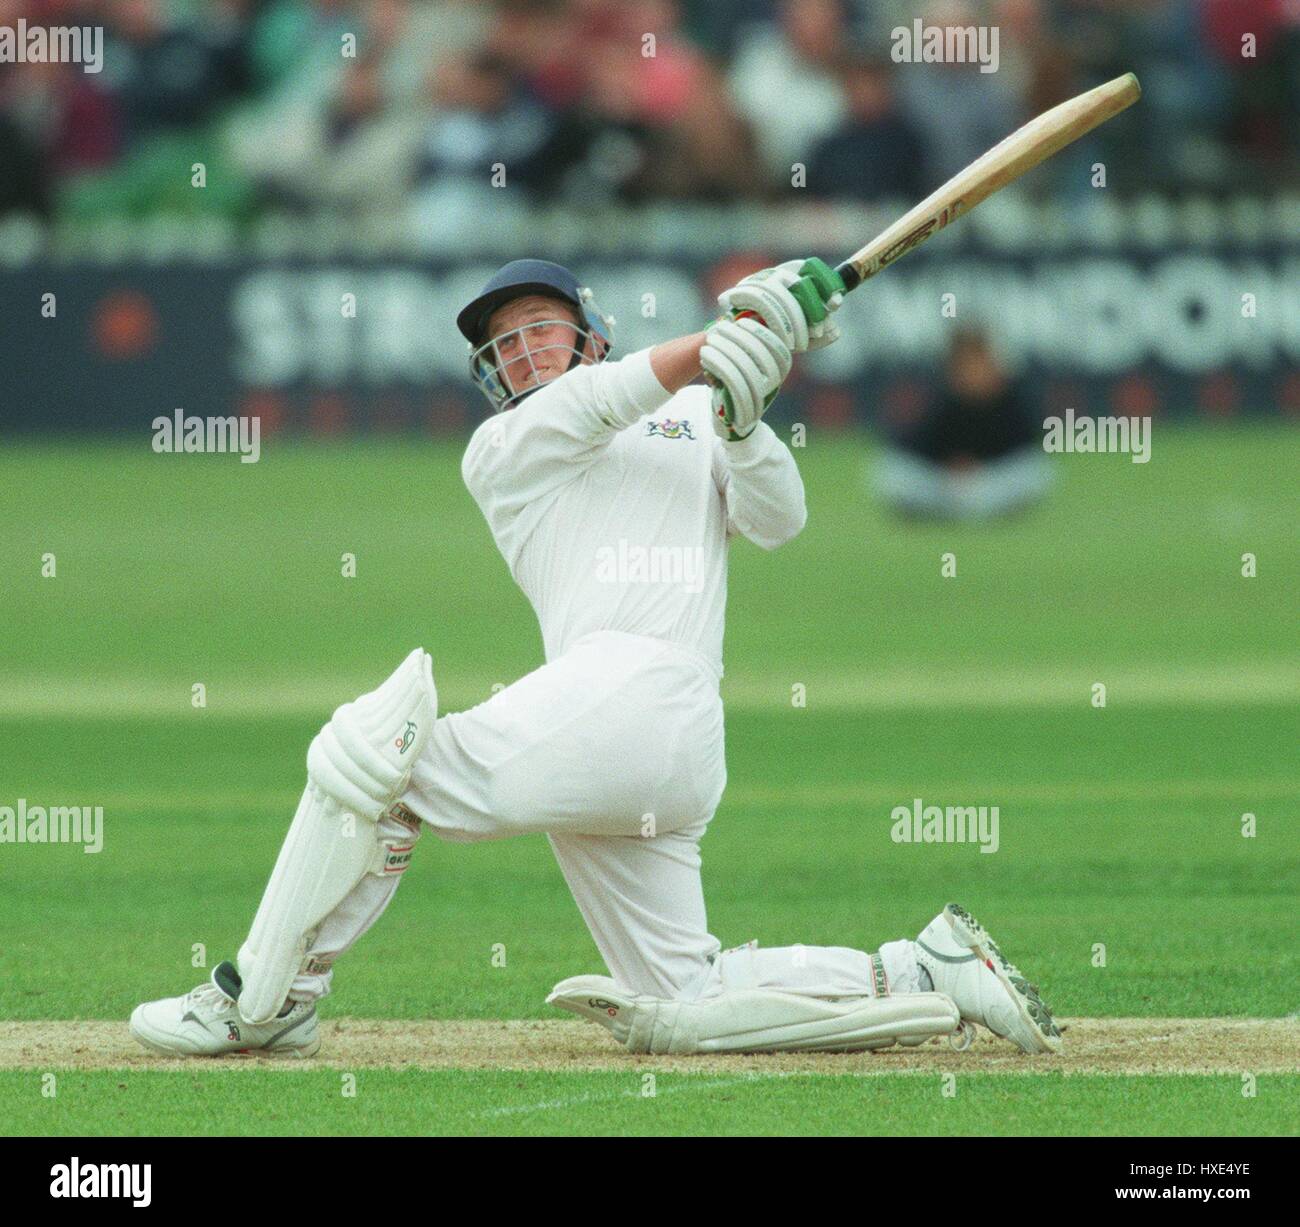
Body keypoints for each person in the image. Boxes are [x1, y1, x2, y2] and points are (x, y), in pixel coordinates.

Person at [130, 258, 1061, 1057]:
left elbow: (781, 520)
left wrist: (739, 417)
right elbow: (601, 402)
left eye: (544, 326)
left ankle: (264, 996)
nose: (526, 347)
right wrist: (714, 347)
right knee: (688, 997)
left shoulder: (696, 417)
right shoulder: (504, 447)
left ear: (591, 334)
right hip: (615, 721)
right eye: (506, 341)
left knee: (379, 766)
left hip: (661, 701)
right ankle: (917, 964)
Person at [876, 326, 1054, 521]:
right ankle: (955, 514)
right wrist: (952, 467)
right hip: (943, 484)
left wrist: (979, 467)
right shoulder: (938, 394)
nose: (973, 371)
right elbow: (913, 445)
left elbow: (1025, 445)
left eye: (978, 361)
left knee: (1036, 471)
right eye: (965, 363)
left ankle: (973, 514)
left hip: (991, 482)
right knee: (891, 474)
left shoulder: (1012, 397)